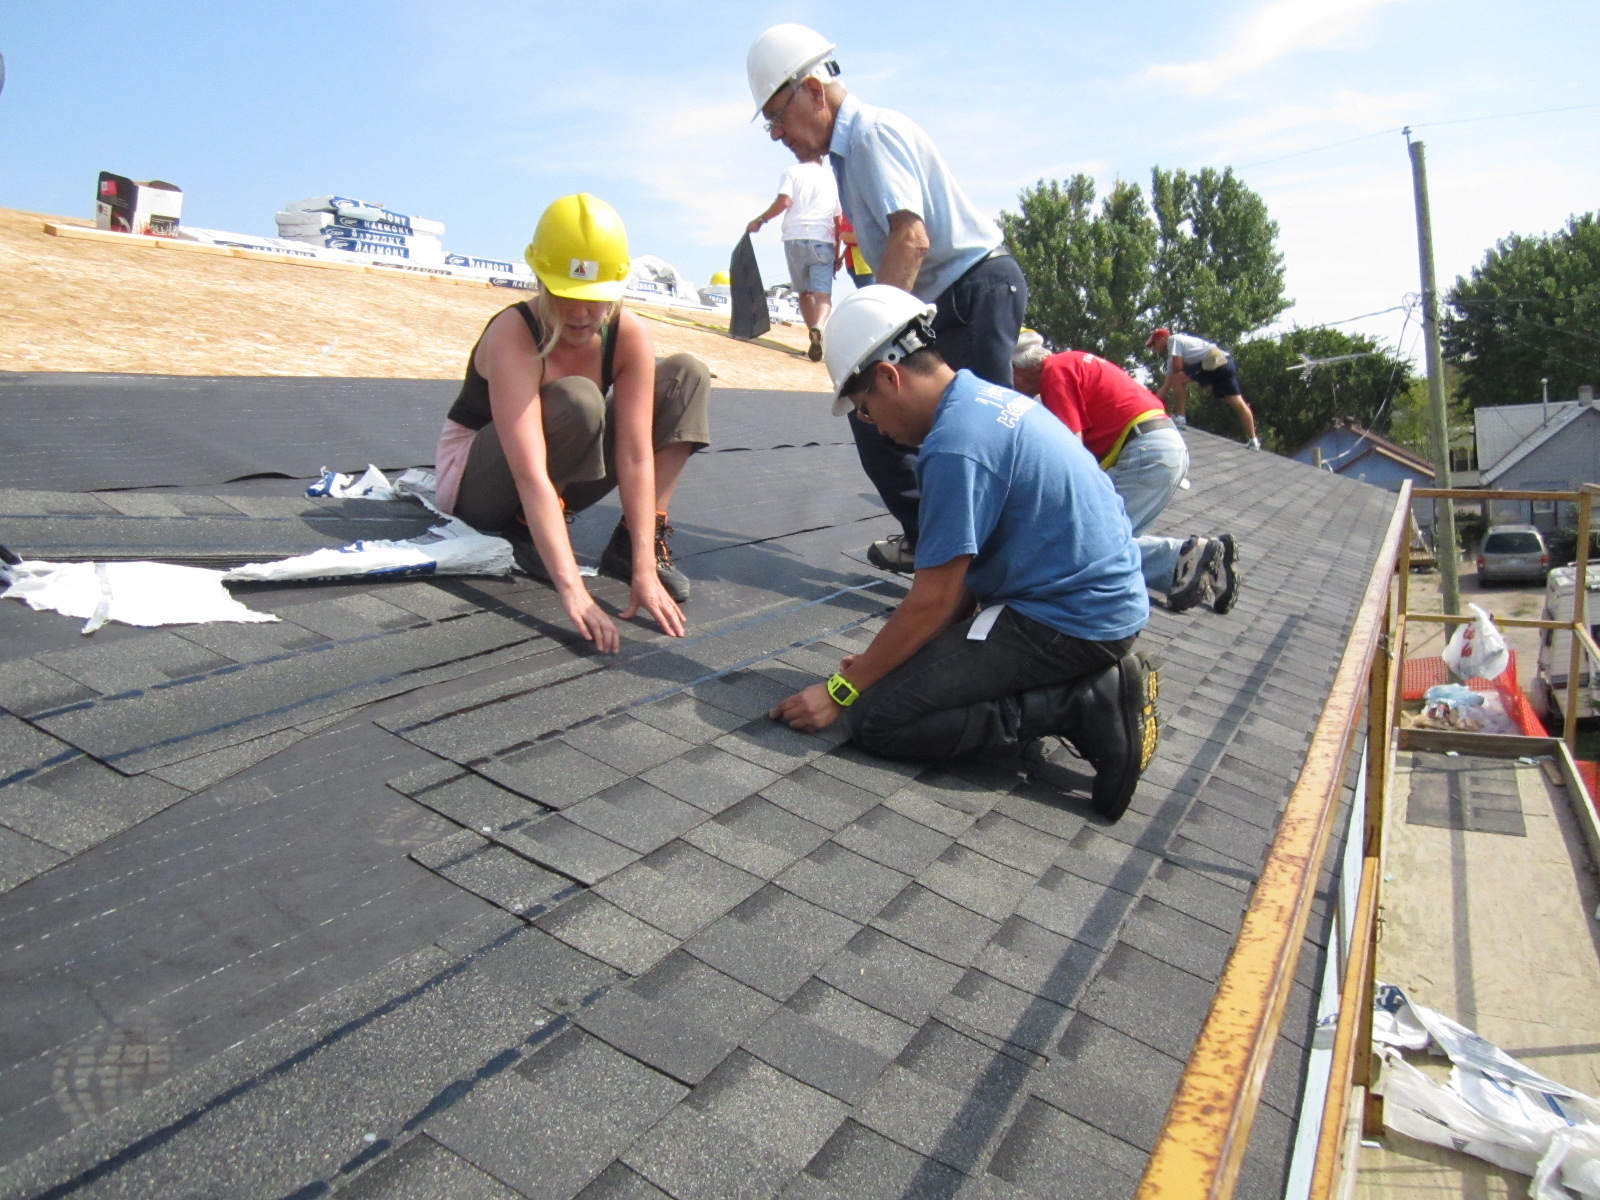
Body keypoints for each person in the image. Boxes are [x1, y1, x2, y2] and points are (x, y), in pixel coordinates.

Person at [770, 287, 1157, 821]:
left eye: (865, 409)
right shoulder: (985, 400)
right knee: (886, 680)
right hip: (1092, 607)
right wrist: (888, 662)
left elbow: (934, 601)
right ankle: (1071, 688)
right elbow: (961, 586)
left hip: (1072, 621)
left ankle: (1082, 704)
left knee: (879, 718)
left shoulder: (955, 444)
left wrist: (841, 690)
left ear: (888, 376)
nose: (873, 426)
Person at [746, 24, 1028, 573]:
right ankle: (941, 552)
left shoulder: (872, 135)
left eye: (777, 116)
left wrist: (870, 338)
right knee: (874, 412)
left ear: (812, 90)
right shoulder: (848, 156)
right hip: (953, 297)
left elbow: (911, 238)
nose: (777, 133)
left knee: (985, 441)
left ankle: (1007, 572)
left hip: (974, 291)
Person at [433, 193, 710, 654]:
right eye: (566, 295)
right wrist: (573, 592)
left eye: (595, 298)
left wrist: (642, 567)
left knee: (687, 374)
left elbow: (636, 454)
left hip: (555, 474)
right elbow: (528, 472)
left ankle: (630, 545)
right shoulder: (514, 331)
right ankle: (531, 534)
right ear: (541, 280)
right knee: (579, 399)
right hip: (479, 483)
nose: (582, 313)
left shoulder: (628, 333)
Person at [1011, 332, 1241, 615]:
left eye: (1007, 377)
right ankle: (1208, 570)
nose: (1011, 388)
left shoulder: (1055, 372)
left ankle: (1184, 555)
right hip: (1163, 449)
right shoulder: (1073, 363)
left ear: (1018, 367)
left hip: (1146, 453)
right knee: (1113, 546)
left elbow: (1069, 454)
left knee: (1084, 543)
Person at [747, 154, 840, 362]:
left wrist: (761, 220)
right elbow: (838, 218)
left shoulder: (792, 172)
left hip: (794, 237)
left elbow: (785, 200)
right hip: (822, 239)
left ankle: (812, 335)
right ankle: (818, 327)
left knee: (804, 293)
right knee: (823, 295)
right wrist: (839, 251)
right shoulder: (831, 178)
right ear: (822, 158)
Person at [1147, 328, 1261, 450]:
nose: (1154, 349)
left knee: (1178, 378)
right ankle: (1253, 440)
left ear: (1162, 339)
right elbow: (1166, 386)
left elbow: (1178, 369)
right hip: (1226, 363)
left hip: (1214, 360)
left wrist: (1182, 372)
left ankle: (1180, 418)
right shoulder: (1173, 356)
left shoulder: (1173, 340)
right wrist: (1149, 407)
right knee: (1237, 402)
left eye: (1154, 344)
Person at [836, 213, 873, 288]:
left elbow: (848, 237)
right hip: (861, 265)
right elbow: (847, 236)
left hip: (867, 265)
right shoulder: (852, 210)